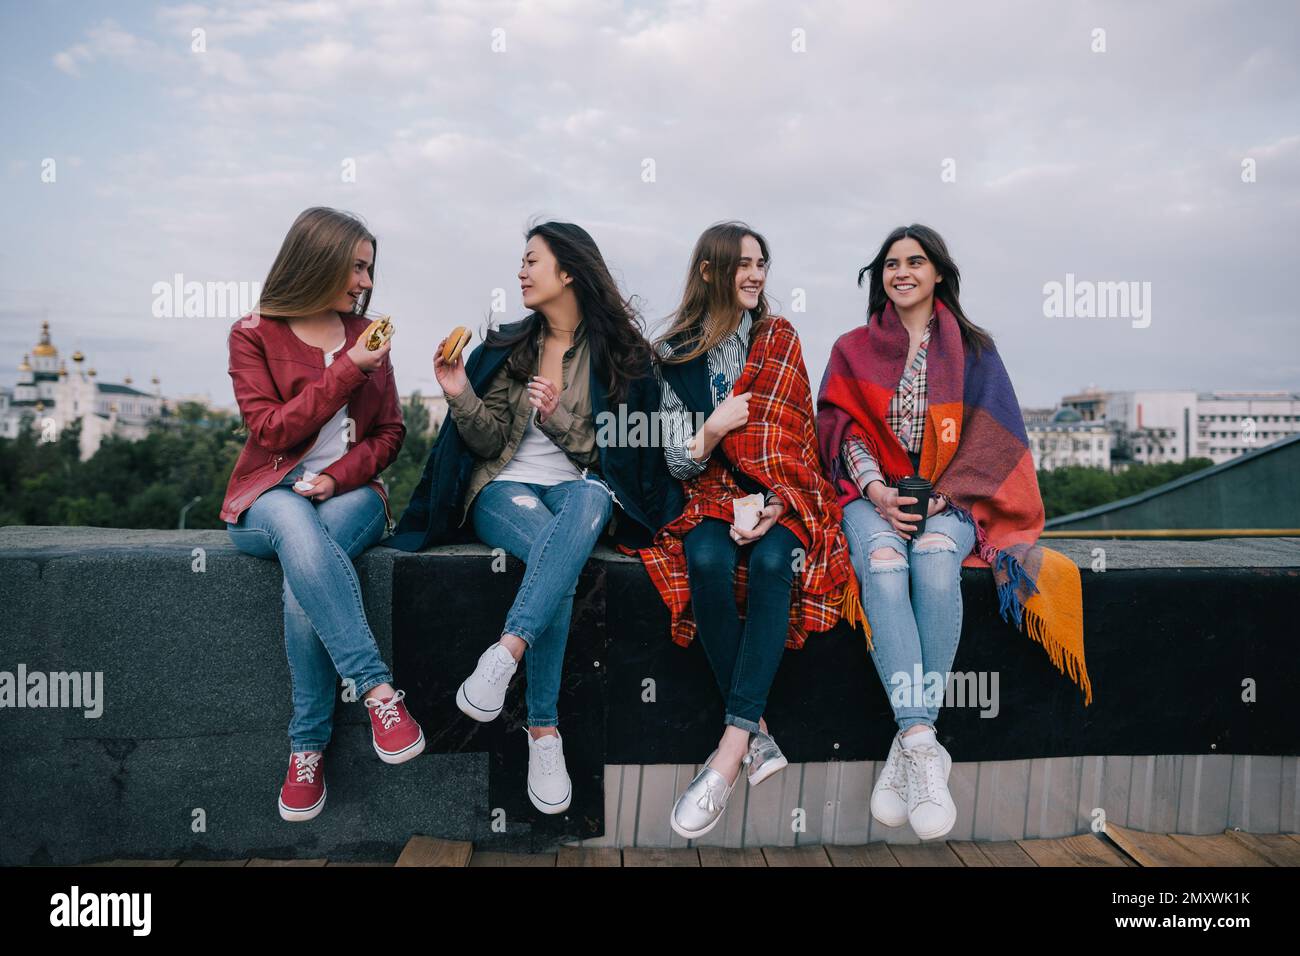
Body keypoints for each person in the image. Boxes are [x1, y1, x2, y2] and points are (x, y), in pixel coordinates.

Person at [387, 221, 680, 815]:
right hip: (503, 487)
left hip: (578, 488)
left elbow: (615, 455)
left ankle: (505, 656)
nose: (520, 272)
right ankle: (544, 730)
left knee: (593, 502)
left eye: (531, 261)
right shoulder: (508, 344)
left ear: (567, 271)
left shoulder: (618, 355)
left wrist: (557, 422)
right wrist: (458, 391)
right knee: (559, 551)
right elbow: (487, 438)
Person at [816, 223, 1093, 841]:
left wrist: (943, 496)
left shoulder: (974, 349)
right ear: (879, 276)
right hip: (869, 497)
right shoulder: (851, 348)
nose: (902, 272)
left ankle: (909, 747)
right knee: (885, 566)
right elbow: (838, 430)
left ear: (939, 272)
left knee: (936, 562)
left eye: (916, 261)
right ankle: (922, 743)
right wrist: (878, 492)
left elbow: (994, 439)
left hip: (953, 499)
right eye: (891, 264)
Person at [633, 221, 863, 840]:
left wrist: (777, 503)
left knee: (770, 566)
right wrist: (713, 428)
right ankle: (757, 733)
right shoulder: (672, 352)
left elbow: (794, 439)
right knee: (704, 562)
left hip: (785, 491)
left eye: (762, 263)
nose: (757, 275)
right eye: (743, 264)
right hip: (710, 494)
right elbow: (679, 458)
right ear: (710, 271)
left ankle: (730, 750)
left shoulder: (779, 337)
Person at [222, 206, 425, 823]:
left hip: (353, 496)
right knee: (292, 526)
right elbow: (270, 428)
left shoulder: (369, 333)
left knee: (302, 573)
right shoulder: (252, 334)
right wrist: (346, 370)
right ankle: (377, 691)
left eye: (369, 269)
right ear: (319, 259)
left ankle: (306, 748)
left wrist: (338, 476)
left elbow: (391, 433)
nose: (365, 281)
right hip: (268, 495)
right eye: (356, 267)